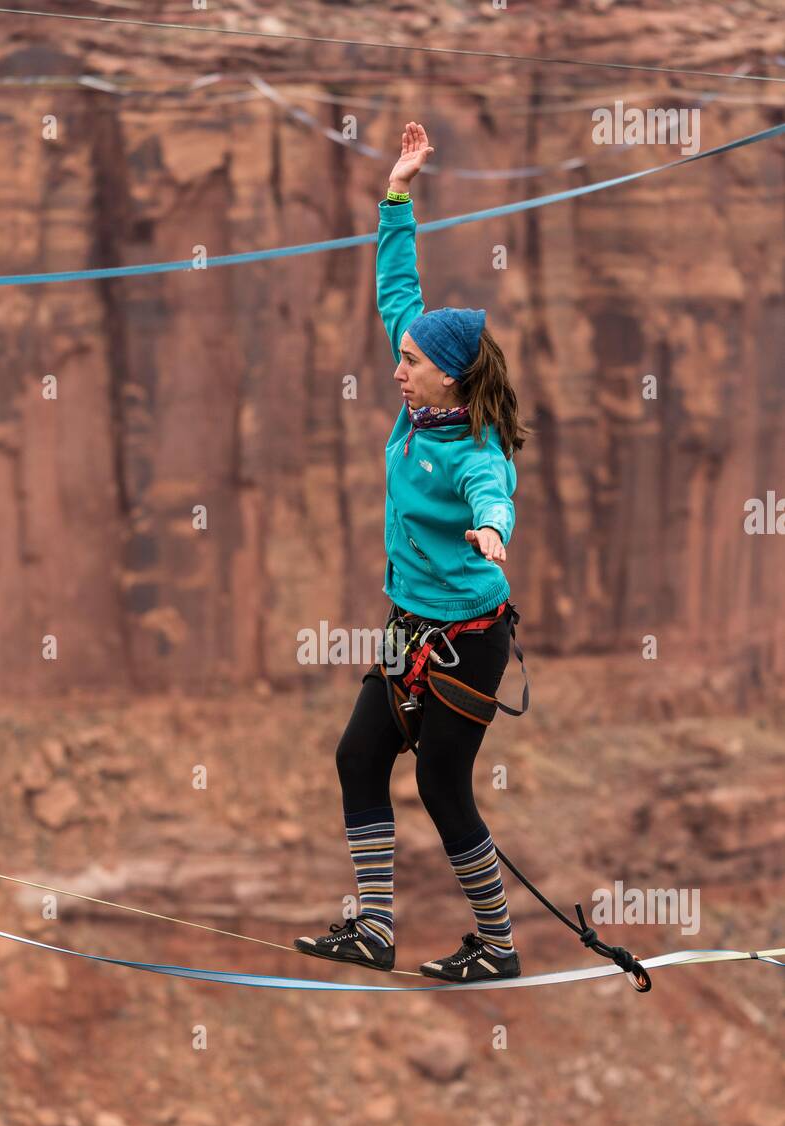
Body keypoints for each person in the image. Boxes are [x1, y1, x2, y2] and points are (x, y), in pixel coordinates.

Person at [295, 122, 530, 984]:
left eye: (409, 362)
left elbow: (491, 495)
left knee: (440, 786)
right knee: (357, 757)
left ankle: (499, 946)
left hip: (469, 638)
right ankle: (374, 930)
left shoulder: (476, 450)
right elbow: (398, 285)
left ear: (448, 377)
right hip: (408, 626)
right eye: (399, 357)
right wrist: (397, 191)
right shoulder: (415, 401)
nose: (396, 369)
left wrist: (491, 533)